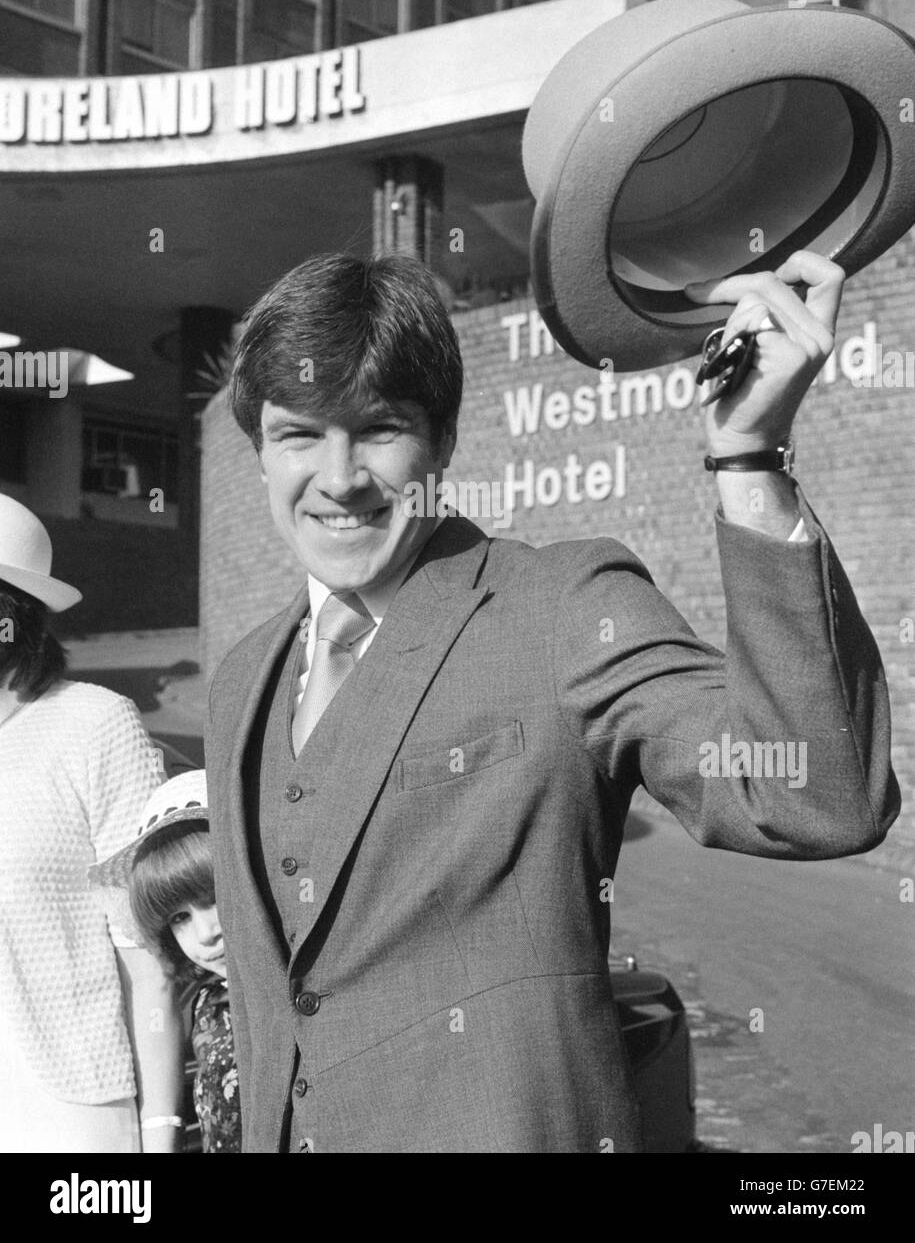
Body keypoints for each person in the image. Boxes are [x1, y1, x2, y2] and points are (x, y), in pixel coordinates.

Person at [206, 250, 899, 1154]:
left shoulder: (563, 607)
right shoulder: (240, 683)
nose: (340, 478)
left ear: (442, 442)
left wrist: (746, 456)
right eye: (300, 434)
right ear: (259, 450)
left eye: (378, 428)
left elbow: (818, 798)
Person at [0, 494, 185, 1153]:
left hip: (69, 1110)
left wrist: (160, 1133)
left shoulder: (94, 724)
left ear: (13, 613)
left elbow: (148, 954)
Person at [94, 770, 241, 1155]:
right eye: (180, 918)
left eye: (214, 898)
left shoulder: (306, 993)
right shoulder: (207, 1007)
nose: (205, 932)